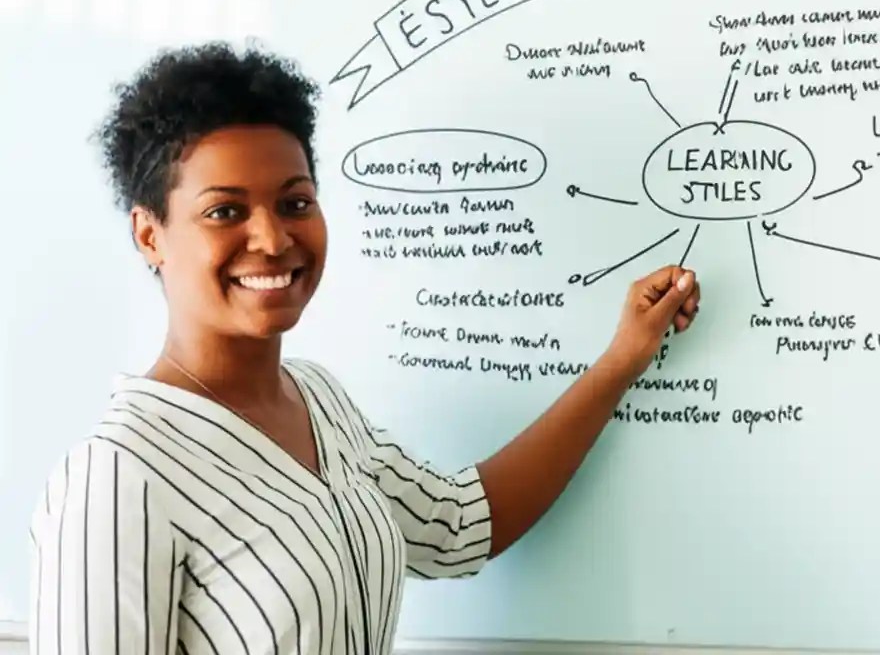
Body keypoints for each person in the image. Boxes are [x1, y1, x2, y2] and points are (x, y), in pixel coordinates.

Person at [27, 42, 700, 654]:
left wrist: (621, 360)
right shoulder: (115, 478)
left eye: (295, 203)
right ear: (150, 235)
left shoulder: (319, 402)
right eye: (224, 211)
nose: (272, 239)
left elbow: (461, 527)